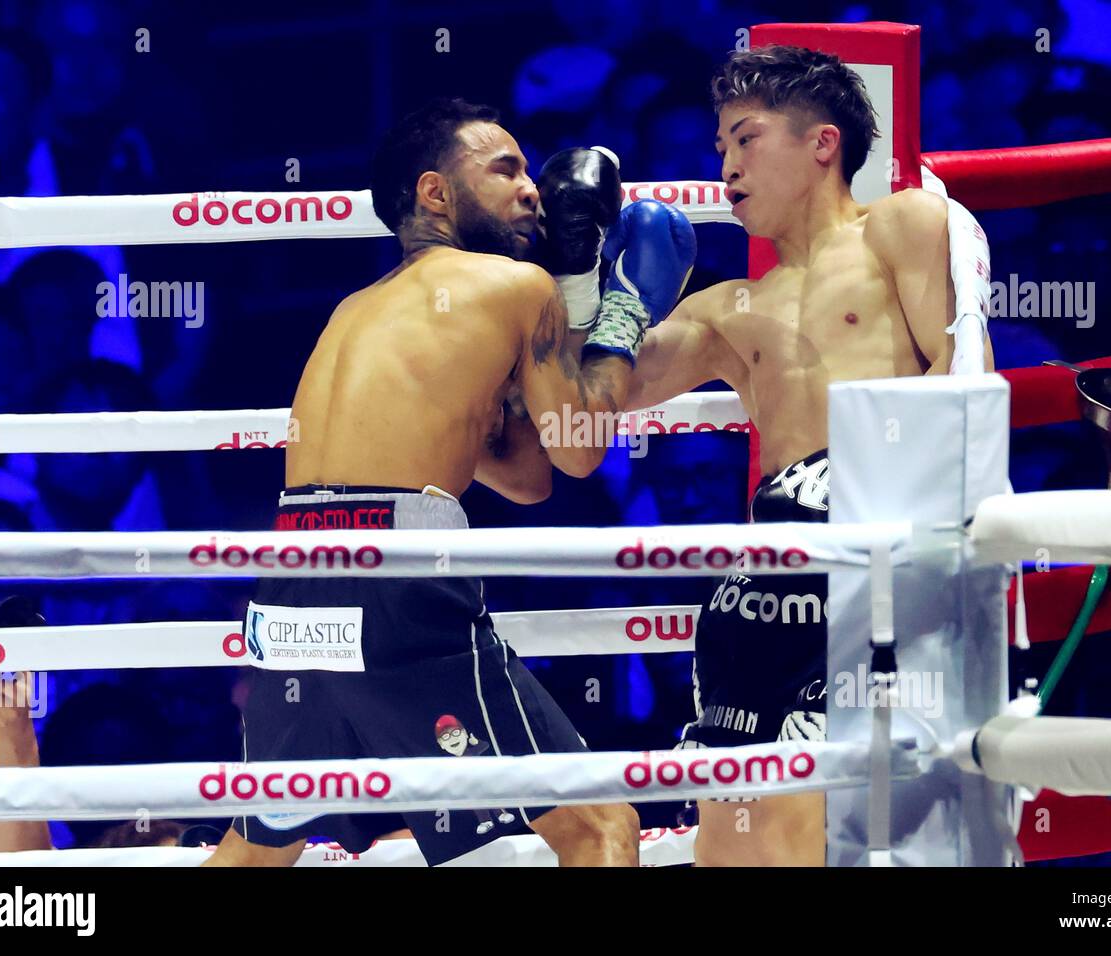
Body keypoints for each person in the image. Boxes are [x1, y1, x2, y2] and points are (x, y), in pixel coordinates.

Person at [205, 98, 695, 867]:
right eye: (505, 169)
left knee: (261, 848)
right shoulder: (508, 286)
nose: (531, 187)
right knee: (602, 828)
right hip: (394, 577)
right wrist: (621, 312)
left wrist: (563, 297)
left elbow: (527, 478)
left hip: (290, 581)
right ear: (435, 193)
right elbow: (576, 450)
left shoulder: (353, 311)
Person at [626, 46, 996, 866]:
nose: (725, 167)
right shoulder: (727, 306)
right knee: (735, 842)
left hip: (876, 549)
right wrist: (602, 296)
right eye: (719, 147)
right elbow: (591, 406)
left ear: (822, 143)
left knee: (846, 827)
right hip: (764, 580)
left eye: (744, 139)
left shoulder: (903, 225)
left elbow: (965, 381)